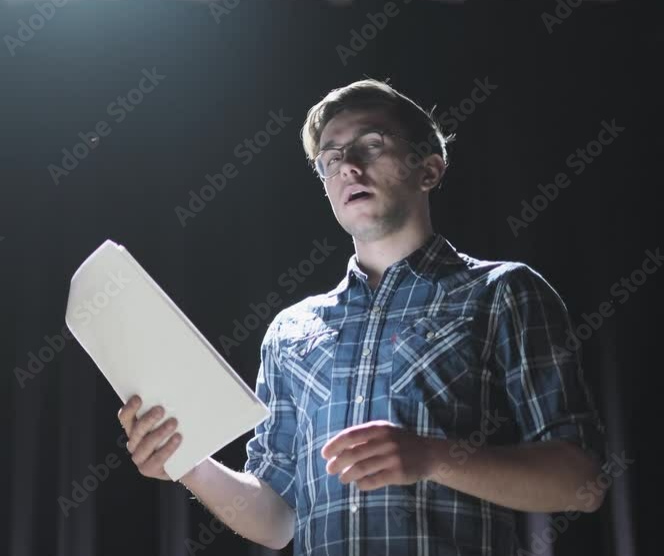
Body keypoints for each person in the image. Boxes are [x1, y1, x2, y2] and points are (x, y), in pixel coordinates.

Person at [116, 79, 606, 555]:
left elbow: (581, 482)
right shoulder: (290, 331)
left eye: (371, 145)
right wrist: (188, 463)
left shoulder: (503, 293)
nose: (349, 166)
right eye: (331, 158)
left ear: (429, 169)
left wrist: (432, 457)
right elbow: (277, 521)